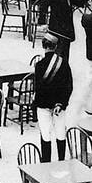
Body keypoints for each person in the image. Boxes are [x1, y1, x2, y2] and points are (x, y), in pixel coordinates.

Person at [32, 32, 73, 163]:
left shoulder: (39, 66)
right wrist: (61, 103)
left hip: (43, 106)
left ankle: (46, 164)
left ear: (43, 46)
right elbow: (68, 86)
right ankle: (61, 161)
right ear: (56, 47)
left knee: (45, 135)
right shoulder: (64, 64)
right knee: (61, 134)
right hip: (59, 106)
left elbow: (38, 89)